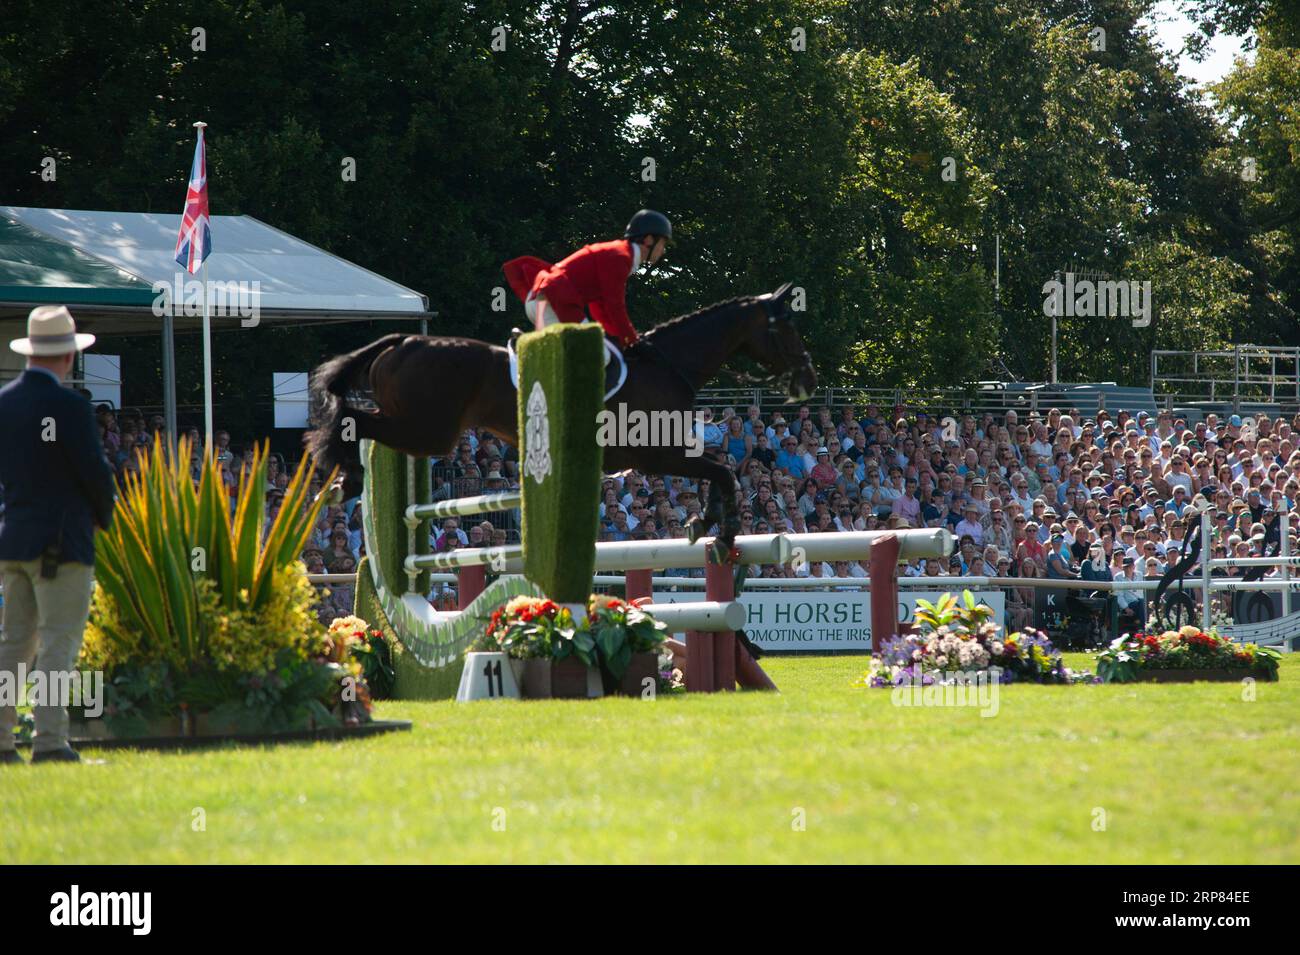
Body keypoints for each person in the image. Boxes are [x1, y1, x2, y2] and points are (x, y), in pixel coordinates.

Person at [0, 306, 116, 765]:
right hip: (61, 544)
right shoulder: (70, 407)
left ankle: (3, 741)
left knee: (12, 645)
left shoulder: (4, 403)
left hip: (14, 539)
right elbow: (95, 473)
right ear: (68, 356)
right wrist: (105, 519)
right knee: (57, 644)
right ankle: (49, 741)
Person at [501, 209, 671, 348]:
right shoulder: (620, 256)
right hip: (554, 303)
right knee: (598, 355)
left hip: (544, 300)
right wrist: (631, 339)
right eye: (663, 243)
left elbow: (599, 305)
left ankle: (528, 347)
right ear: (649, 240)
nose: (663, 251)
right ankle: (527, 351)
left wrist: (616, 336)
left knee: (598, 346)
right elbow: (615, 305)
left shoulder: (620, 254)